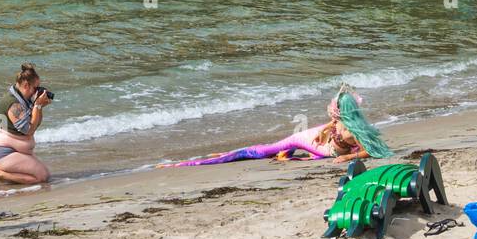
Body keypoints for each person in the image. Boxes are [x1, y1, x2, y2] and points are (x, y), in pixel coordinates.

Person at [163, 86, 393, 167]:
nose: (334, 110)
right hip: (320, 140)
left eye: (336, 107)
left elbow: (369, 151)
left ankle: (240, 154)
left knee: (278, 145)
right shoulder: (342, 121)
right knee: (288, 142)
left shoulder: (353, 131)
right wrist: (324, 130)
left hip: (326, 150)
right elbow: (331, 123)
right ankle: (238, 152)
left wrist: (346, 158)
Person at [0, 63, 52, 185]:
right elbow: (28, 131)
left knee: (45, 175)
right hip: (3, 154)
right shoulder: (13, 104)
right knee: (42, 176)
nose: (37, 91)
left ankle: (3, 175)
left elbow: (35, 124)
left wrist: (39, 106)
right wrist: (37, 105)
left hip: (12, 152)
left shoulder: (23, 99)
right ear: (26, 85)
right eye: (36, 88)